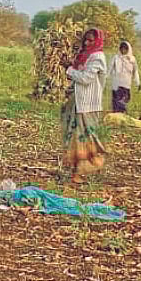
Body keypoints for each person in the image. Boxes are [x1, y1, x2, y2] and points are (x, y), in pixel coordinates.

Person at [62, 28, 108, 183]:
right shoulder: (84, 56)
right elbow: (78, 76)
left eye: (91, 40)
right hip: (78, 102)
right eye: (86, 40)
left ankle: (89, 167)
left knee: (87, 137)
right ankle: (77, 171)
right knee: (76, 137)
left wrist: (69, 70)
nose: (87, 43)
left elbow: (86, 78)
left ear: (98, 41)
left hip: (89, 104)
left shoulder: (98, 57)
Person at [108, 40, 141, 113]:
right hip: (116, 84)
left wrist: (137, 83)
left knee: (124, 102)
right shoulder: (116, 58)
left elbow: (135, 72)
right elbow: (109, 69)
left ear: (128, 49)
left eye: (125, 49)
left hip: (126, 84)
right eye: (121, 48)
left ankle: (123, 117)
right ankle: (116, 118)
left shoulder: (132, 59)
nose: (123, 50)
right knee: (116, 102)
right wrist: (104, 80)